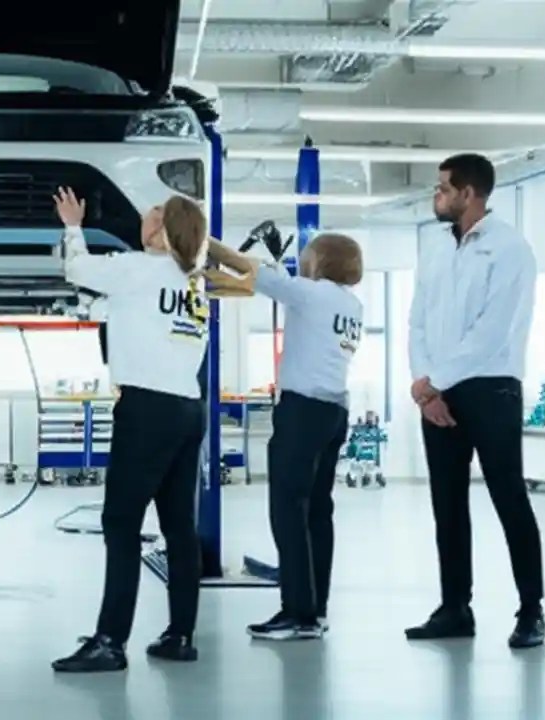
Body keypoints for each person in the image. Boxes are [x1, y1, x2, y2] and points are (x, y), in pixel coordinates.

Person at [51, 189, 210, 673]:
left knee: (121, 523)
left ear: (163, 231)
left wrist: (73, 226)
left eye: (154, 213)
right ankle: (180, 634)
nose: (146, 216)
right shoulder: (193, 284)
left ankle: (109, 641)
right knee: (179, 526)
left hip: (147, 409)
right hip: (188, 406)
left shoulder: (139, 267)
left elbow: (77, 269)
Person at [405, 153, 545, 649]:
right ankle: (454, 608)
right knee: (448, 504)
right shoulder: (434, 249)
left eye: (443, 188)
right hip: (437, 393)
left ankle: (531, 611)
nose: (436, 196)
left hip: (490, 388)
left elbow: (492, 331)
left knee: (509, 499)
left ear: (470, 194)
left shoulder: (510, 250)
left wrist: (435, 381)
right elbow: (417, 320)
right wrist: (425, 387)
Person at [207, 234, 365, 640]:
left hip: (303, 412)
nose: (301, 261)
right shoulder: (350, 304)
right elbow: (252, 282)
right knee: (317, 512)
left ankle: (297, 612)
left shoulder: (311, 295)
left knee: (287, 510)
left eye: (306, 256)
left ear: (321, 261)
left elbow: (249, 271)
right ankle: (315, 608)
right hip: (334, 411)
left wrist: (196, 235)